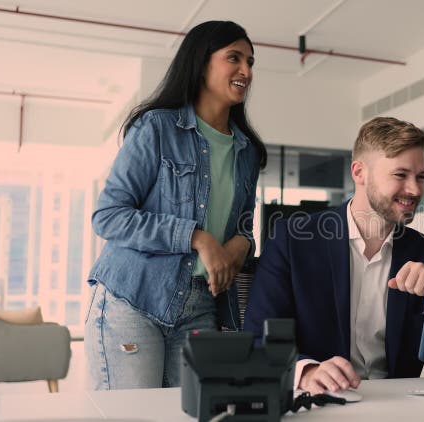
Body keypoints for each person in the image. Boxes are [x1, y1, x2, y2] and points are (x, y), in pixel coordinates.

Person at [85, 20, 266, 390]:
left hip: (199, 308)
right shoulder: (157, 128)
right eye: (234, 58)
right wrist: (196, 237)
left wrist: (243, 242)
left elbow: (243, 225)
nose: (246, 71)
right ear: (201, 63)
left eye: (250, 61)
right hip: (132, 301)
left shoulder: (247, 152)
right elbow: (109, 216)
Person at [245, 117, 424, 395]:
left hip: (399, 407)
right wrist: (307, 371)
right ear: (359, 172)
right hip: (323, 402)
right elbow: (257, 341)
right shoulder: (293, 241)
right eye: (400, 175)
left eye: (420, 177)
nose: (416, 190)